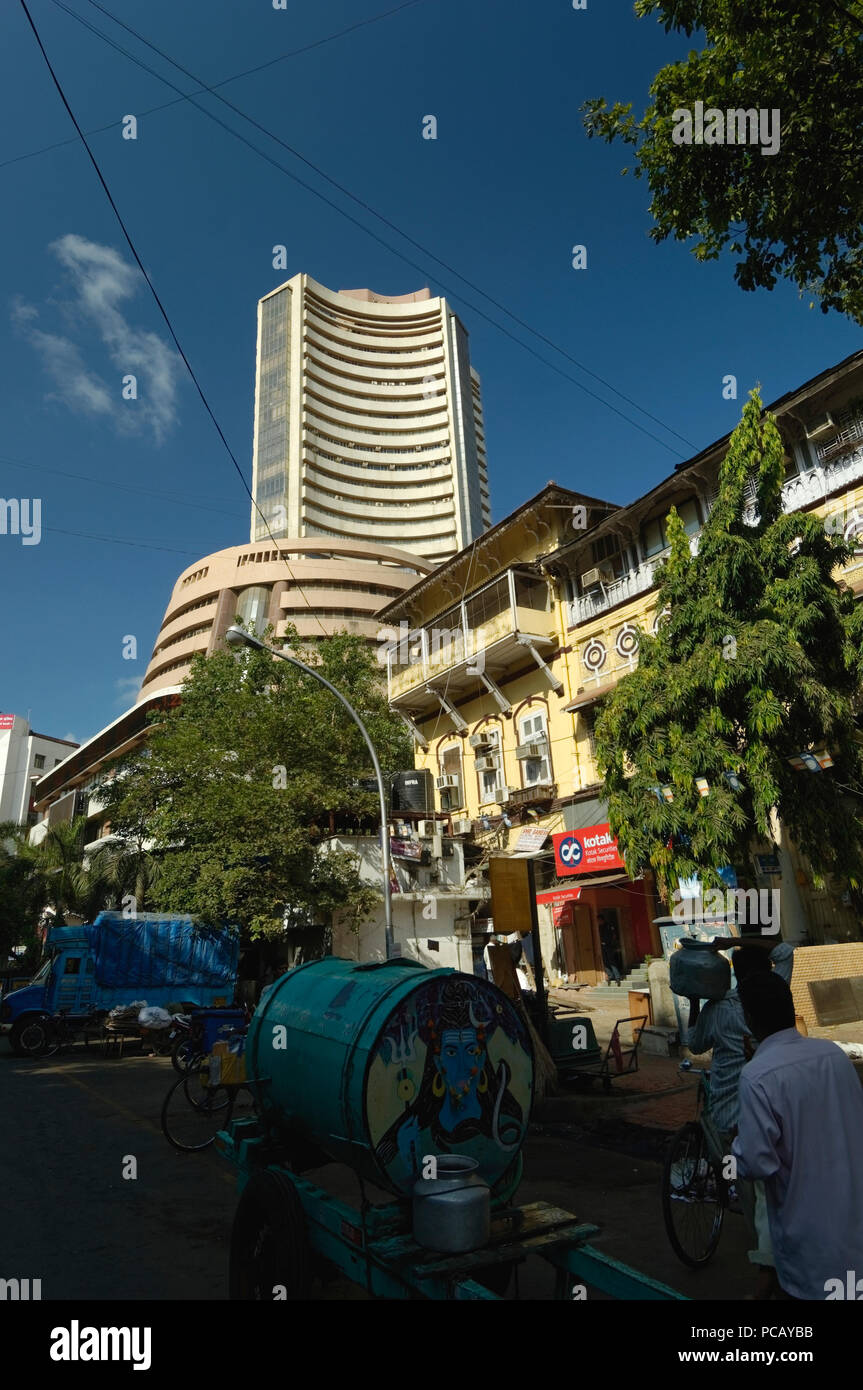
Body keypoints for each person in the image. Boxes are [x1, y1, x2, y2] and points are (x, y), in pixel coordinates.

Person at [732, 972, 863, 1300]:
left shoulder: (757, 1076)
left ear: (749, 1020)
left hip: (810, 1242)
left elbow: (755, 1163)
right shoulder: (833, 1055)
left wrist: (735, 1149)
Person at [683, 940, 794, 1292]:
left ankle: (772, 1276)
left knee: (756, 1203)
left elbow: (694, 1044)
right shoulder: (776, 993)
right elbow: (786, 951)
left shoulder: (719, 1008)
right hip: (779, 1109)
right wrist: (735, 941)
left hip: (734, 1116)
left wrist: (695, 1002)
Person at [597, 913, 622, 986]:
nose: (598, 922)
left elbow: (614, 936)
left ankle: (617, 977)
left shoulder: (609, 926)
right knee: (605, 962)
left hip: (609, 946)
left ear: (602, 920)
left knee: (612, 961)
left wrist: (611, 943)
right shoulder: (599, 927)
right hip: (602, 946)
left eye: (598, 920)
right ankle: (610, 976)